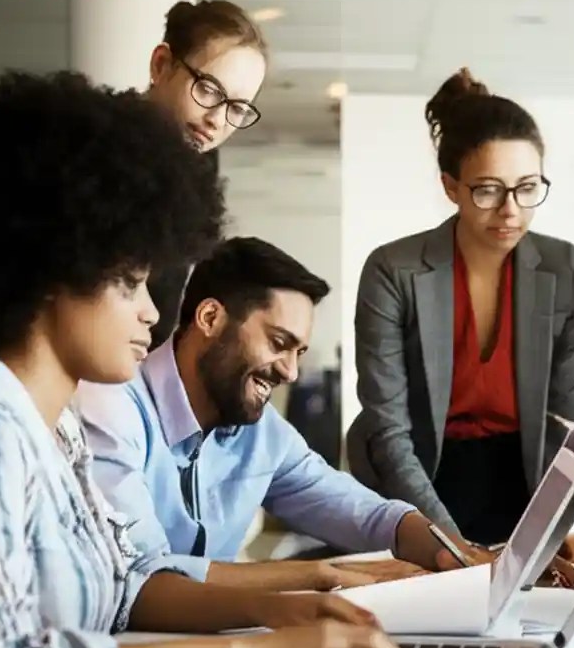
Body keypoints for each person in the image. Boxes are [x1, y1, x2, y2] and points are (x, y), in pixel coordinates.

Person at [0, 71, 420, 648]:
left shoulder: (56, 425)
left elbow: (129, 591)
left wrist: (291, 615)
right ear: (48, 269)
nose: (151, 314)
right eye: (129, 283)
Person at [78, 237, 469, 592]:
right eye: (279, 343)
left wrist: (460, 557)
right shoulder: (112, 408)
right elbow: (145, 576)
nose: (290, 372)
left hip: (212, 643)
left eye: (298, 353)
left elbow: (369, 516)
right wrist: (320, 576)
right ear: (210, 318)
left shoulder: (263, 435)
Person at [346, 68, 574, 546]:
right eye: (487, 189)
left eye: (527, 187)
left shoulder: (568, 272)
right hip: (413, 479)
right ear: (450, 187)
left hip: (520, 478)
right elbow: (389, 429)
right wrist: (452, 548)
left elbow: (565, 423)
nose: (510, 210)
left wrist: (544, 530)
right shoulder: (393, 271)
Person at [144, 0, 269, 348]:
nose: (217, 120)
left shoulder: (199, 165)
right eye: (210, 90)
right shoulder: (90, 156)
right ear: (161, 65)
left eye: (238, 107)